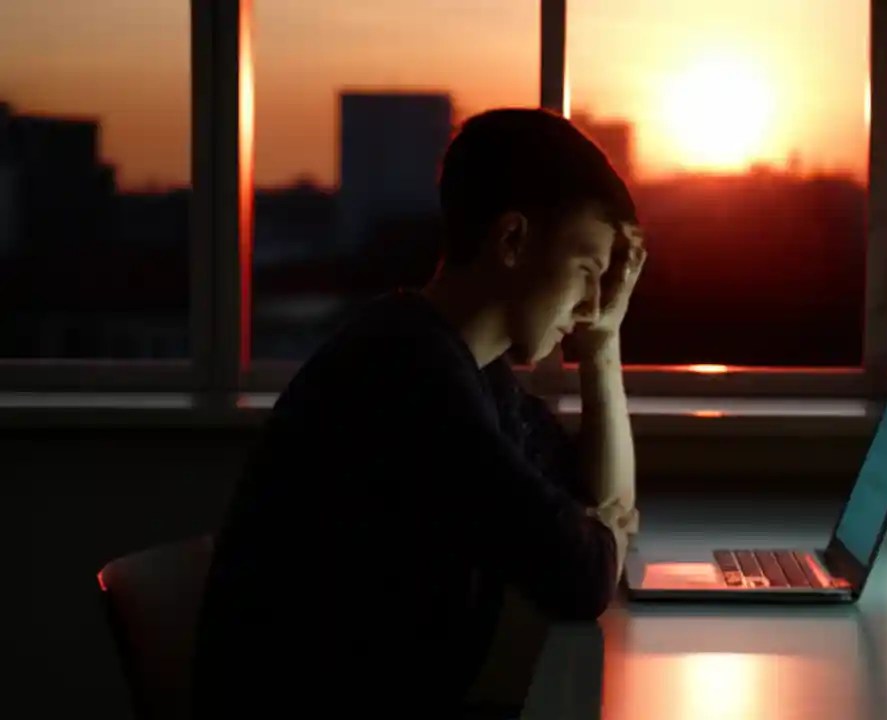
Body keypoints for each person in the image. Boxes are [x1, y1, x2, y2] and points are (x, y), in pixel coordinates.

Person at [192, 108, 645, 719]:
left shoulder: (467, 366)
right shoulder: (407, 372)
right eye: (586, 271)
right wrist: (601, 536)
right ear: (512, 241)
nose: (592, 305)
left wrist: (602, 346)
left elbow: (592, 498)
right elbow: (582, 576)